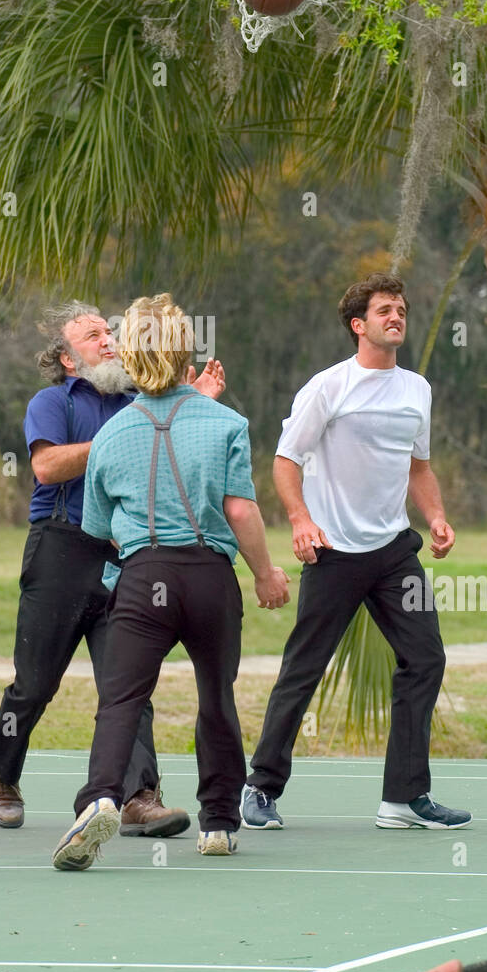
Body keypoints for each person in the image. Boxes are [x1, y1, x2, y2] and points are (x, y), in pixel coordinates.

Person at [51, 293, 289, 871]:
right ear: (188, 352)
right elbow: (240, 512)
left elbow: (100, 527)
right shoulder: (227, 422)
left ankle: (101, 797)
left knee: (122, 700)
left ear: (129, 357)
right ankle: (219, 823)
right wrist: (265, 572)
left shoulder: (110, 436)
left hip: (142, 575)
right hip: (209, 575)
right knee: (216, 696)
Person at [240, 273, 472, 832]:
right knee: (304, 668)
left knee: (427, 658)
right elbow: (285, 460)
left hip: (394, 552)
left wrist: (436, 515)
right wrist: (300, 520)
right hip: (335, 552)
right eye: (385, 310)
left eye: (402, 310)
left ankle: (403, 798)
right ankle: (259, 788)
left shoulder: (418, 389)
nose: (397, 317)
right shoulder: (328, 387)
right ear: (358, 324)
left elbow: (418, 466)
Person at [0, 301, 226, 837]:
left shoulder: (142, 401)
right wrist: (120, 442)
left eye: (111, 331)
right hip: (60, 548)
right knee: (35, 683)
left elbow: (178, 445)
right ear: (70, 360)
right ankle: (1, 774)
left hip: (126, 551)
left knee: (128, 683)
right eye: (93, 335)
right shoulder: (51, 401)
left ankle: (141, 797)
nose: (108, 339)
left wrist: (197, 404)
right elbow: (46, 467)